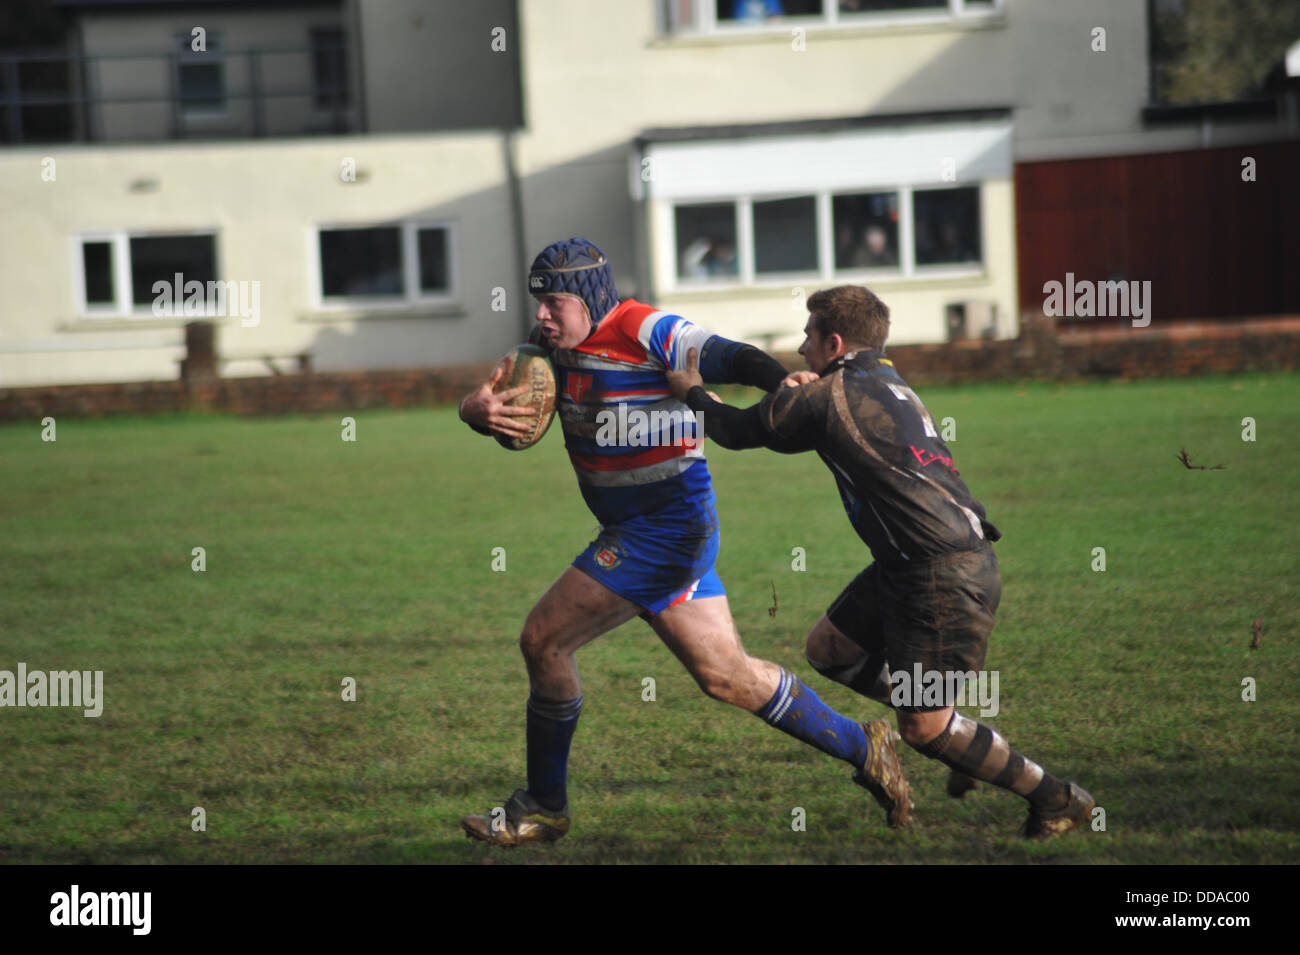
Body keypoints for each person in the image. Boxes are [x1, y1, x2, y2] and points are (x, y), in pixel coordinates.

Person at [456, 240, 912, 846]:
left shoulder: (650, 330)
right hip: (641, 532)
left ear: (590, 298)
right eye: (538, 301)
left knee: (543, 640)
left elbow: (734, 356)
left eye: (555, 302)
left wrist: (786, 381)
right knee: (726, 677)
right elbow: (498, 405)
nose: (541, 314)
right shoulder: (545, 351)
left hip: (666, 533)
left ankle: (544, 805)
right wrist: (474, 410)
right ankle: (865, 744)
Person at [665, 284, 1095, 838]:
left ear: (834, 341)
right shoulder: (886, 380)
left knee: (922, 730)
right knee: (829, 649)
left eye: (808, 336)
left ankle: (1056, 798)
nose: (801, 347)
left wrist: (692, 391)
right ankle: (959, 737)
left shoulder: (827, 396)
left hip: (939, 575)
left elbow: (737, 431)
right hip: (914, 563)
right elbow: (800, 419)